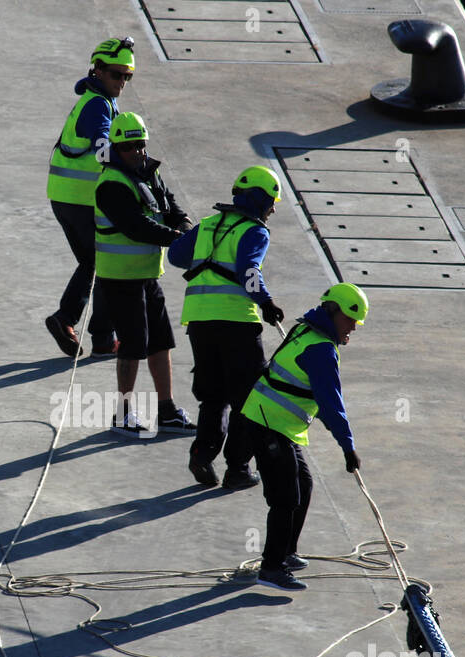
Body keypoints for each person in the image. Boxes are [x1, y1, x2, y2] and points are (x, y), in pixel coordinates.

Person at [240, 283, 368, 590]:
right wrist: (347, 447)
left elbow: (316, 397)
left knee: (304, 484)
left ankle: (286, 552)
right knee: (286, 498)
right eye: (350, 320)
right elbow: (330, 403)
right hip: (268, 423)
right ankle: (271, 569)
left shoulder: (307, 331)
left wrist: (343, 441)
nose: (353, 328)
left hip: (279, 425)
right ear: (333, 311)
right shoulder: (321, 349)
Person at [168, 166, 286, 490]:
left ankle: (202, 455)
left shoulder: (208, 224)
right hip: (237, 322)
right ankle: (238, 469)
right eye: (272, 201)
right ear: (260, 199)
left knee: (213, 395)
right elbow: (249, 271)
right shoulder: (256, 232)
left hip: (199, 321)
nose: (273, 209)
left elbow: (176, 255)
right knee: (248, 398)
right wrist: (266, 302)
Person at [93, 112, 198, 437]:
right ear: (116, 148)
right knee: (133, 345)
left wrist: (184, 228)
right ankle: (123, 414)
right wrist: (179, 240)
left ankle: (166, 412)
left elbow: (173, 210)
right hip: (120, 278)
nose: (137, 151)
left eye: (140, 144)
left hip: (147, 276)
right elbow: (136, 227)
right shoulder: (111, 184)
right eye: (129, 146)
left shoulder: (149, 174)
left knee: (161, 342)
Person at [45, 37, 133, 360]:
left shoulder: (94, 98)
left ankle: (101, 337)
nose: (121, 81)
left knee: (96, 263)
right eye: (115, 74)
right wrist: (130, 171)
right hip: (80, 199)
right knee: (100, 261)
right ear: (97, 70)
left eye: (127, 76)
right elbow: (101, 147)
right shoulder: (97, 104)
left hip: (64, 197)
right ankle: (67, 320)